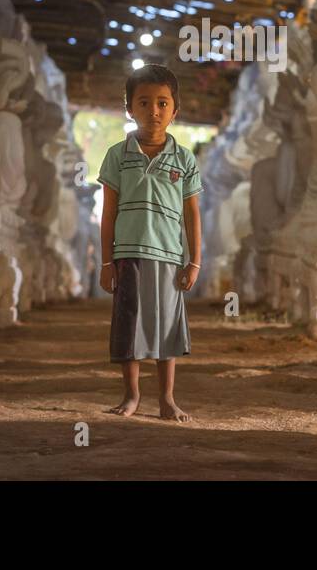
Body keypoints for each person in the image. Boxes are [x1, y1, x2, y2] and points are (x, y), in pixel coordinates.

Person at [97, 64, 203, 422]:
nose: (153, 111)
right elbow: (108, 213)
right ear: (129, 108)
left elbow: (192, 216)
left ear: (176, 110)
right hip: (128, 255)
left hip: (170, 257)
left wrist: (194, 262)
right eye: (143, 103)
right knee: (130, 326)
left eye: (162, 103)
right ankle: (131, 396)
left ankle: (167, 400)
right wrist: (106, 262)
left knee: (166, 328)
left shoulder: (184, 159)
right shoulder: (117, 155)